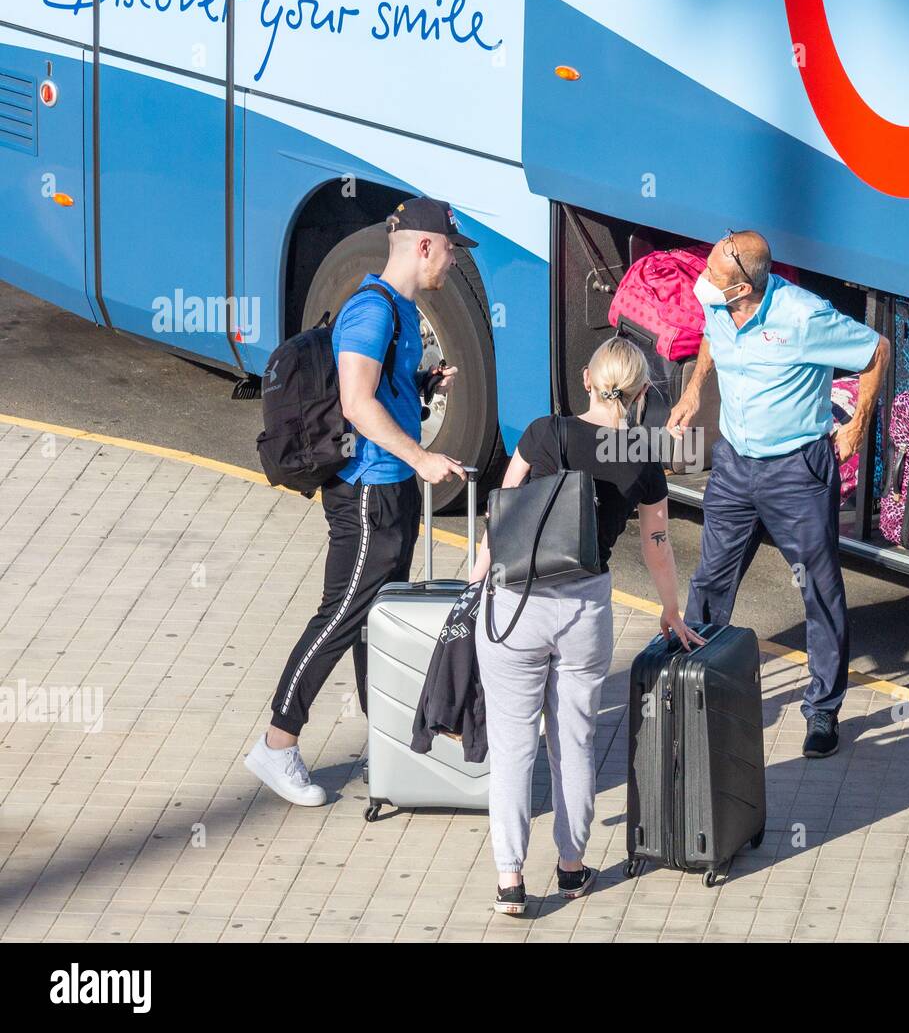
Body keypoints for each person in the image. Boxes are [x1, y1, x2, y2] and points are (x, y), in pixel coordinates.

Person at [244, 197, 472, 805]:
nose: (454, 261)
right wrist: (423, 457)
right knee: (342, 617)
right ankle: (277, 743)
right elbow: (356, 402)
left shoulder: (398, 308)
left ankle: (388, 745)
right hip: (369, 491)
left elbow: (382, 394)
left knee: (379, 621)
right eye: (452, 249)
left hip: (391, 486)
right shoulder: (371, 311)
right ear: (424, 246)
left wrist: (421, 386)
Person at [469, 336, 703, 915]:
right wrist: (671, 609)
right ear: (643, 392)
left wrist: (475, 584)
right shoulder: (643, 459)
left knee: (513, 745)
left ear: (586, 378)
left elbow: (502, 512)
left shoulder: (544, 433)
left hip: (517, 602)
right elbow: (656, 544)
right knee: (573, 741)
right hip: (584, 611)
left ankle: (509, 879)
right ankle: (572, 869)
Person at [667, 230, 890, 760]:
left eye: (715, 279)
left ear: (745, 286)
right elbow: (711, 336)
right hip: (734, 467)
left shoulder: (803, 316)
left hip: (797, 471)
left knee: (818, 588)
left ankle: (823, 711)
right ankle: (697, 689)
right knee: (710, 582)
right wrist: (695, 389)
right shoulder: (718, 301)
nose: (704, 284)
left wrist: (857, 426)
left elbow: (876, 350)